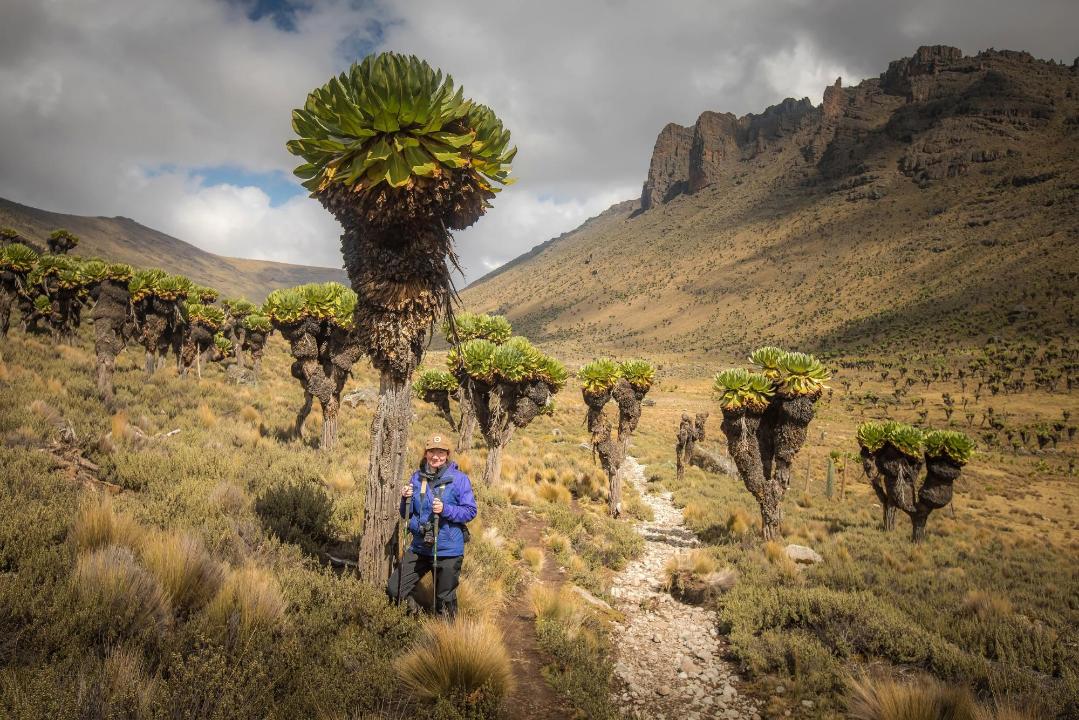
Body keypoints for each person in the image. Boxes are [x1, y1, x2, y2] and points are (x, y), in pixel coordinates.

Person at [386, 432, 477, 618]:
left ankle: (446, 638)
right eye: (431, 452)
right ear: (425, 453)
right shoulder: (416, 478)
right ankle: (417, 616)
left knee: (444, 600)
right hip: (420, 547)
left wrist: (446, 510)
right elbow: (405, 514)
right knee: (394, 589)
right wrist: (405, 499)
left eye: (441, 452)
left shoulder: (459, 480)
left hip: (448, 549)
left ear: (447, 454)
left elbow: (470, 511)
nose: (436, 456)